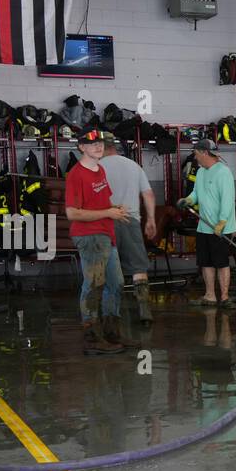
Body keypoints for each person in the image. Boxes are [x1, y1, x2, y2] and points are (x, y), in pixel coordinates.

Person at [64, 128, 131, 355]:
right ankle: (91, 338)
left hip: (106, 234)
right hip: (89, 236)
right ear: (81, 147)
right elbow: (73, 213)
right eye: (92, 144)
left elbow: (104, 201)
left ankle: (111, 332)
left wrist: (115, 209)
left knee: (116, 282)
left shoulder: (100, 169)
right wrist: (108, 213)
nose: (98, 147)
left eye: (100, 143)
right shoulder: (76, 175)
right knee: (94, 283)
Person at [101, 134, 158, 324]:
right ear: (115, 147)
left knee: (105, 269)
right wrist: (151, 220)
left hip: (105, 221)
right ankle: (144, 310)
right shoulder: (134, 166)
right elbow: (148, 194)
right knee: (138, 267)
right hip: (131, 221)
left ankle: (110, 315)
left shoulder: (96, 168)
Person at [178, 138, 236, 308]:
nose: (195, 158)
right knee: (206, 262)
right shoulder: (201, 172)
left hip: (220, 228)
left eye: (196, 154)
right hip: (204, 226)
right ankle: (210, 295)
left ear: (204, 153)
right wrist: (188, 200)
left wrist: (222, 222)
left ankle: (224, 297)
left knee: (221, 262)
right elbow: (196, 193)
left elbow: (227, 200)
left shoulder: (223, 172)